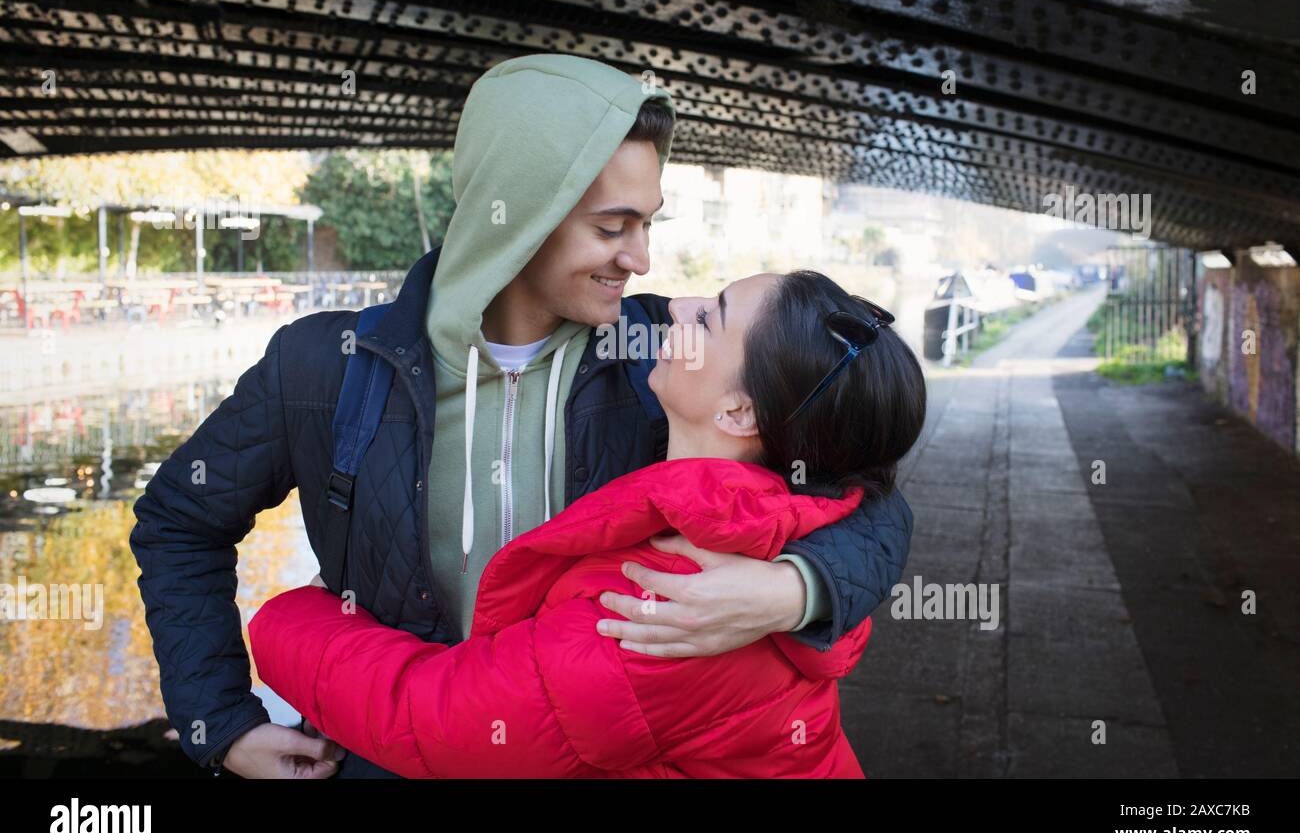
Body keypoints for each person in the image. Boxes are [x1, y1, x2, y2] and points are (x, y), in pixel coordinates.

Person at [129, 53, 916, 778]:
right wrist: (219, 722)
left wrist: (796, 588)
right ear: (517, 218)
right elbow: (179, 521)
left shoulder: (661, 359)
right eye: (612, 227)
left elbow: (863, 488)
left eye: (649, 223)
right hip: (372, 756)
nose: (640, 258)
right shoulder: (320, 366)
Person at [249, 270, 926, 777]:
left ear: (739, 414)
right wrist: (804, 587)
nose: (677, 303)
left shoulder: (664, 601)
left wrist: (286, 620)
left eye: (712, 316)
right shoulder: (788, 513)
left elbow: (444, 722)